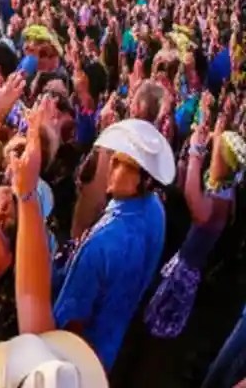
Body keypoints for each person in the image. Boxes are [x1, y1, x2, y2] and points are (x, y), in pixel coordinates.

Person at [53, 118, 174, 371]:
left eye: (121, 163)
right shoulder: (156, 209)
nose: (110, 166)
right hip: (110, 346)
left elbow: (72, 319)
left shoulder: (101, 244)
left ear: (142, 179)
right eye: (113, 158)